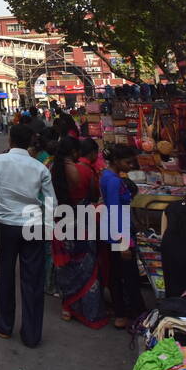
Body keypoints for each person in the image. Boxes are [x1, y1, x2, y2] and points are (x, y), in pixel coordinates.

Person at [0, 123, 55, 347]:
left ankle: (4, 325)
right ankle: (32, 334)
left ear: (10, 140)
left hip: (6, 224)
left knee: (6, 273)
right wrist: (48, 225)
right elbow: (51, 201)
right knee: (32, 279)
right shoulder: (39, 168)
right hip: (33, 225)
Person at [50, 137, 108, 328]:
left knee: (66, 266)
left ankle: (68, 307)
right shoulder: (83, 170)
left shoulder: (53, 169)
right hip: (82, 219)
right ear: (75, 152)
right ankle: (89, 310)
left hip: (61, 220)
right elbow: (92, 193)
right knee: (87, 265)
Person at [100, 144, 145, 328]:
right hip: (119, 234)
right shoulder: (113, 181)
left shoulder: (110, 176)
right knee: (127, 276)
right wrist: (123, 242)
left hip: (115, 232)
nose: (131, 165)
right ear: (117, 161)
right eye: (128, 162)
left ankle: (124, 313)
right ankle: (133, 314)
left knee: (118, 274)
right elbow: (114, 211)